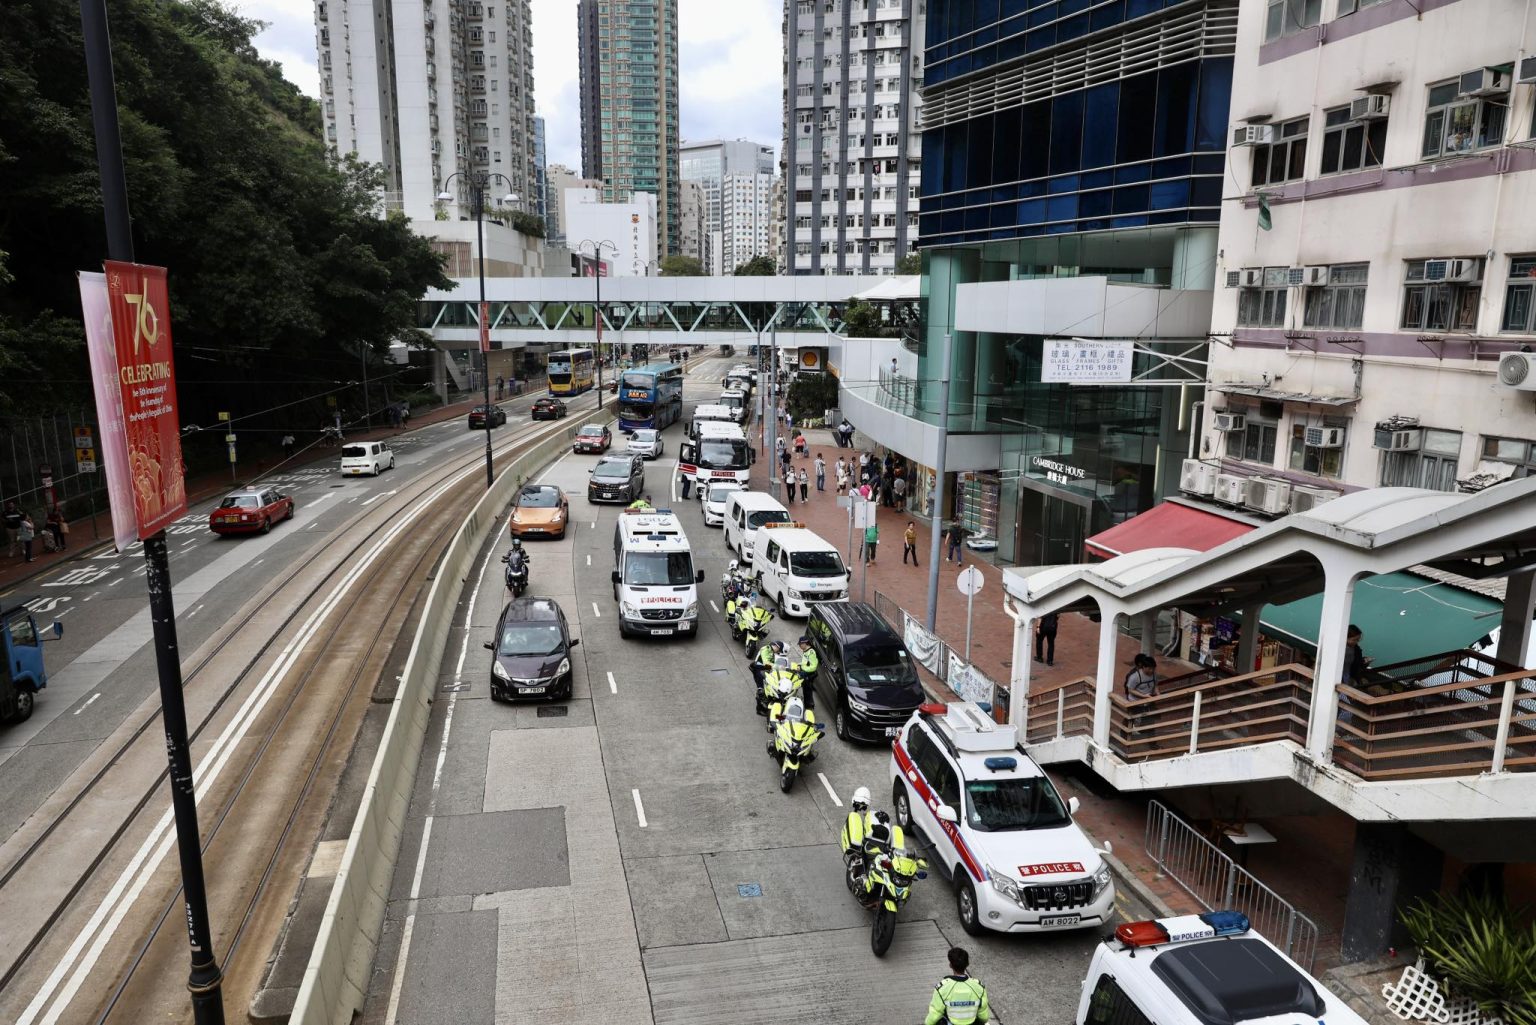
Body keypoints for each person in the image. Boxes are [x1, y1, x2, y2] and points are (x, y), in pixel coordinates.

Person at [926, 947, 991, 1025]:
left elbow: (934, 1015)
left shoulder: (941, 988)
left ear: (950, 965)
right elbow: (984, 1017)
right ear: (967, 964)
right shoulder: (979, 987)